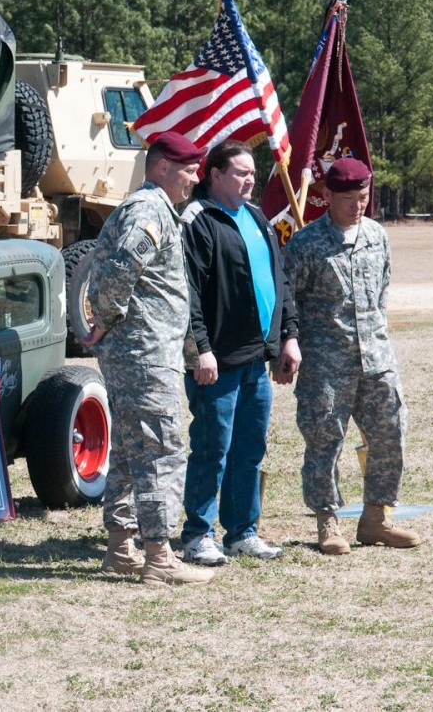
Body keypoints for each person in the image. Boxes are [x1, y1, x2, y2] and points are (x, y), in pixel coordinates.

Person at [82, 131, 214, 586]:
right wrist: (105, 318)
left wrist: (192, 352)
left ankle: (121, 547)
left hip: (145, 351)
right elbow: (120, 269)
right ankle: (159, 555)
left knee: (131, 448)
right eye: (189, 170)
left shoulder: (157, 209)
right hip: (143, 353)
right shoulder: (148, 210)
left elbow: (165, 291)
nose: (195, 179)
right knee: (161, 448)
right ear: (162, 167)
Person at [283, 156, 422, 555]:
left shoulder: (377, 235)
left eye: (363, 197)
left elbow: (381, 291)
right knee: (324, 440)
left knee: (390, 432)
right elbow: (289, 301)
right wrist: (291, 344)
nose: (357, 205)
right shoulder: (307, 244)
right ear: (327, 196)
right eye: (348, 198)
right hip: (326, 363)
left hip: (376, 358)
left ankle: (376, 518)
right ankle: (327, 520)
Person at [179, 141, 300, 565]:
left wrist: (288, 336)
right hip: (216, 363)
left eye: (252, 173)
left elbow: (280, 280)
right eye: (241, 172)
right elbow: (188, 295)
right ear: (214, 174)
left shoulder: (257, 217)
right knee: (212, 449)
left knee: (249, 449)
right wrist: (201, 350)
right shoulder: (197, 220)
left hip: (256, 360)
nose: (250, 180)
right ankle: (198, 534)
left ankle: (242, 532)